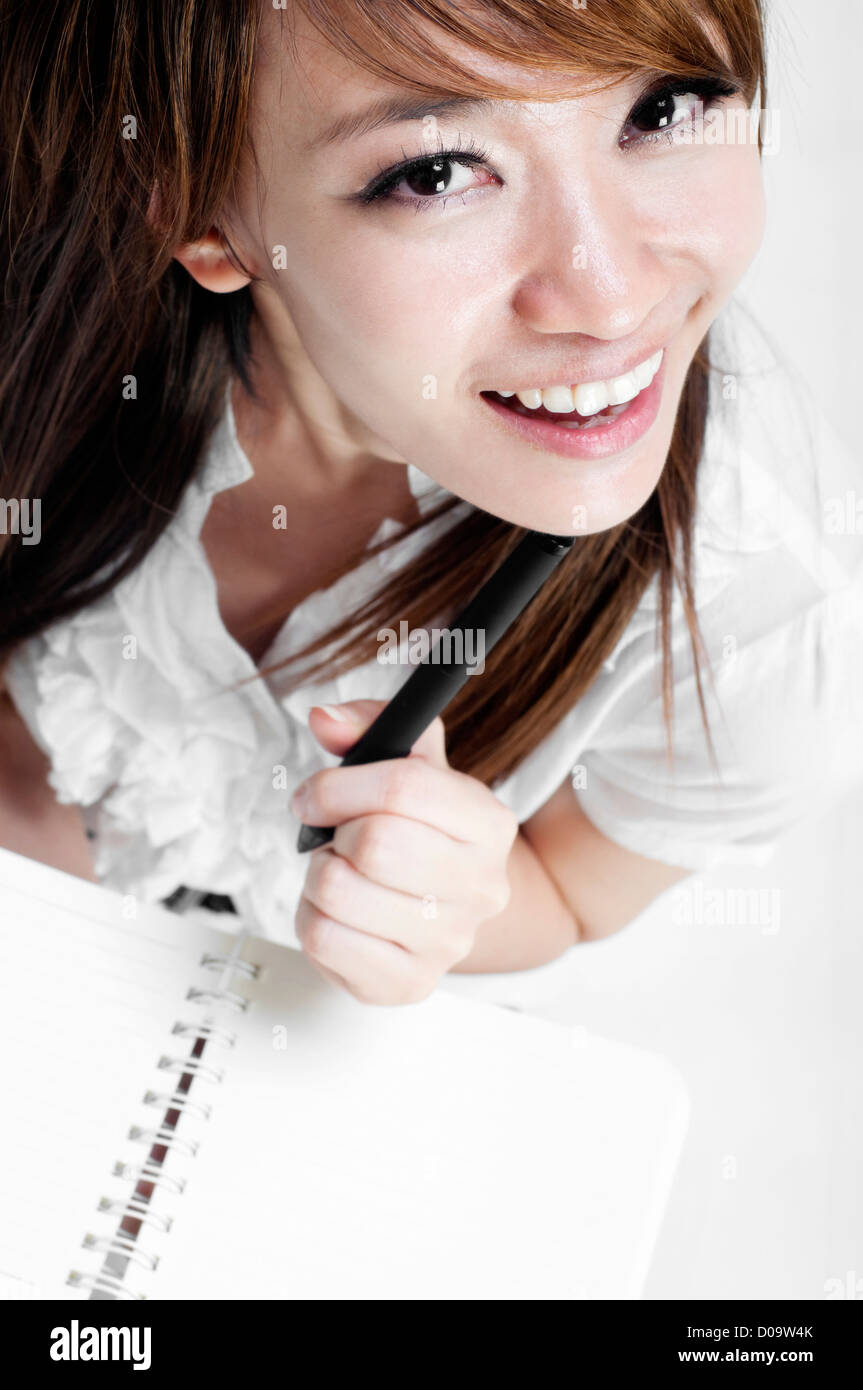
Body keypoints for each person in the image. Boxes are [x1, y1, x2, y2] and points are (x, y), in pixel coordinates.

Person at [1, 1, 860, 1006]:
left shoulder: (755, 637)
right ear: (197, 211)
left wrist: (447, 901)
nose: (609, 298)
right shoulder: (49, 323)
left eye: (663, 109)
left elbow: (575, 894)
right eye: (436, 172)